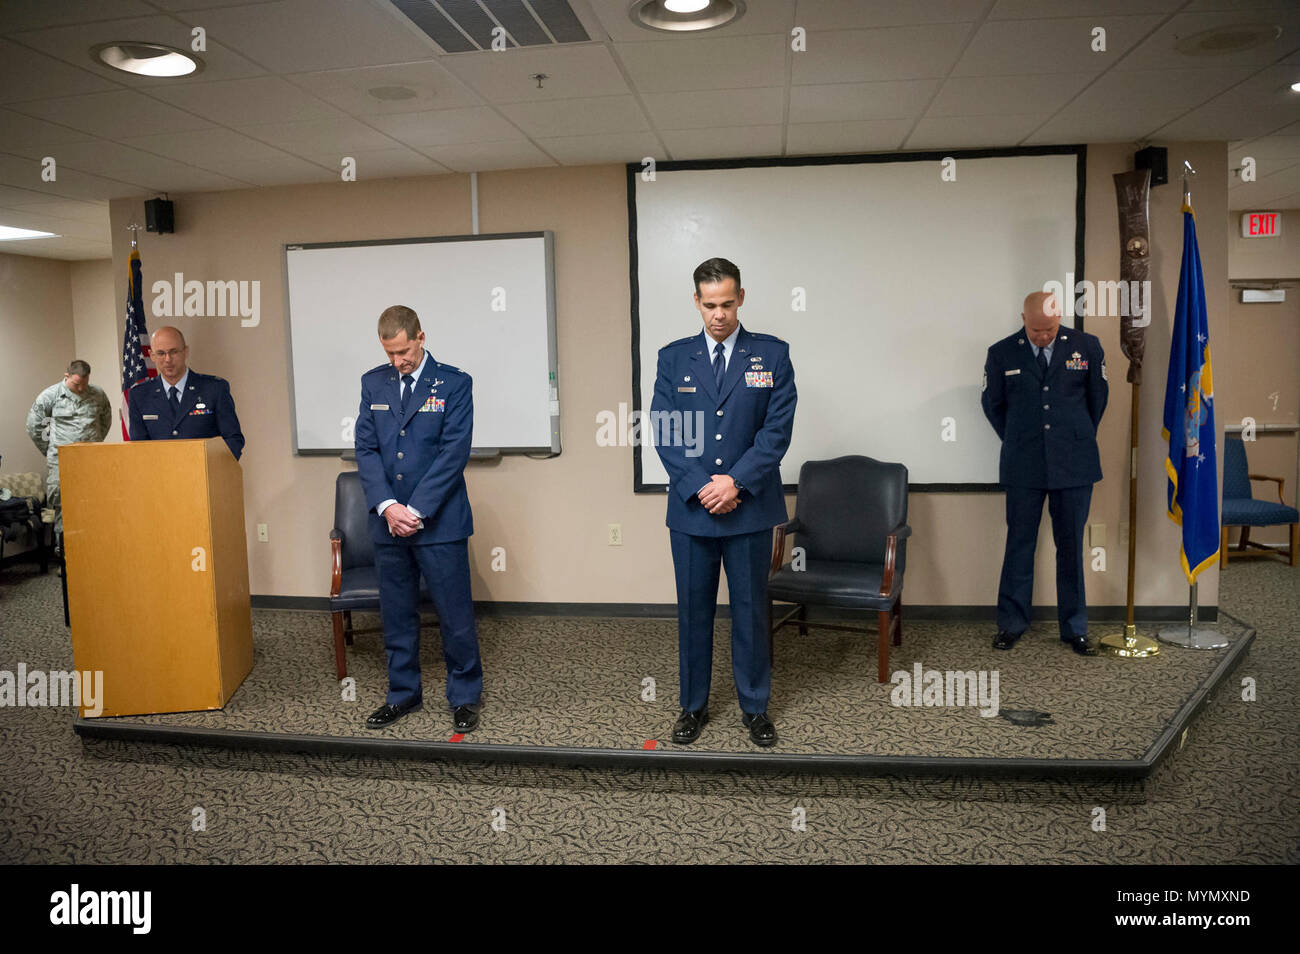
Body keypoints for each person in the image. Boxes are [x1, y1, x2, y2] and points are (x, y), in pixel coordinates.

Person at [651, 258, 797, 748]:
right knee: (694, 613)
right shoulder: (674, 358)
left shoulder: (772, 355)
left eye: (727, 304)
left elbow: (775, 434)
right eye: (709, 304)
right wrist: (702, 486)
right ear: (696, 301)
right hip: (692, 511)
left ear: (741, 298)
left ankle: (755, 707)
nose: (719, 314)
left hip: (749, 508)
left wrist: (734, 482)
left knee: (751, 612)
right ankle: (692, 707)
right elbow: (666, 431)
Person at [353, 305, 483, 733]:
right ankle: (402, 693)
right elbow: (367, 449)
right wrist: (388, 506)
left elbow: (453, 452)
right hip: (389, 523)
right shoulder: (373, 383)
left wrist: (416, 509)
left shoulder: (454, 383)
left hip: (440, 522)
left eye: (404, 351)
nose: (398, 361)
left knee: (454, 613)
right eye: (390, 353)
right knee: (396, 614)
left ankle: (464, 696)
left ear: (421, 337)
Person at [981, 290, 1108, 655]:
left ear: (1059, 318)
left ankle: (1074, 628)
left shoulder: (1087, 346)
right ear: (1023, 319)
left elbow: (1097, 399)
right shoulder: (1001, 352)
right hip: (1024, 464)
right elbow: (994, 405)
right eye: (1036, 330)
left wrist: (1072, 435)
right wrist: (1022, 439)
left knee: (1070, 547)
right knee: (1020, 545)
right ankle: (1011, 624)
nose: (1043, 337)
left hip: (1075, 463)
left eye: (1049, 329)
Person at [127, 326, 245, 460]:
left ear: (186, 351)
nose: (167, 359)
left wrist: (212, 468)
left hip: (205, 476)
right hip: (160, 477)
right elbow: (138, 448)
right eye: (161, 353)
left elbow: (233, 440)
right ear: (152, 355)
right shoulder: (140, 395)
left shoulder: (214, 389)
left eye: (174, 351)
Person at [26, 360, 112, 533]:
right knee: (64, 509)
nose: (81, 389)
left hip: (91, 461)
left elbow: (105, 421)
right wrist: (53, 451)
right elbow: (34, 427)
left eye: (84, 384)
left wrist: (92, 445)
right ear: (67, 376)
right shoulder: (50, 395)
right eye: (76, 384)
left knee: (94, 506)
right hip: (62, 464)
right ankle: (64, 554)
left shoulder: (98, 394)